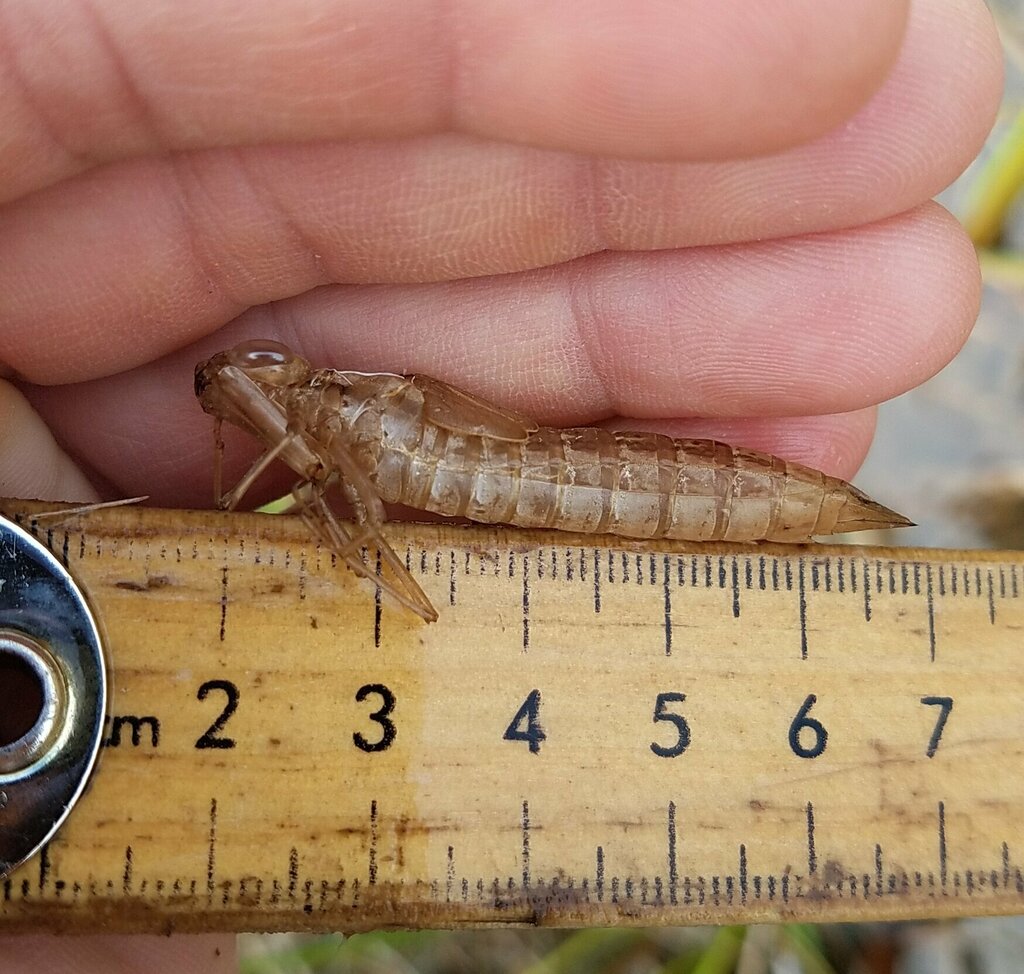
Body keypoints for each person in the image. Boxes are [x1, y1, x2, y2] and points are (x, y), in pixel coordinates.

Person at [0, 0, 1003, 969]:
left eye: (230, 390)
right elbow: (314, 477)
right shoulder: (315, 428)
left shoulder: (330, 413)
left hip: (550, 475)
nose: (228, 400)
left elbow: (321, 476)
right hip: (499, 472)